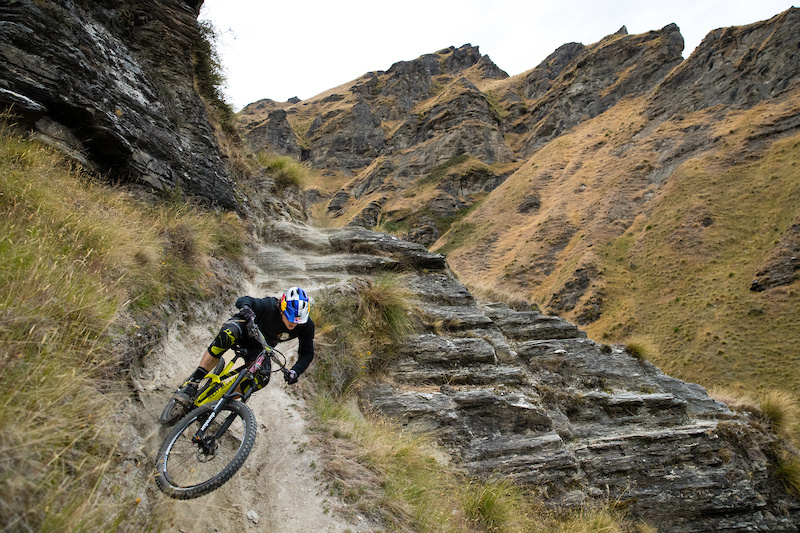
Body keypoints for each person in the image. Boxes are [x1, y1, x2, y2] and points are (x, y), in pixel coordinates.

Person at [174, 286, 314, 405]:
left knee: (262, 378)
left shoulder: (306, 326)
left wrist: (296, 371)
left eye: (298, 320)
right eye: (290, 316)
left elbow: (307, 353)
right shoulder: (269, 306)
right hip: (243, 330)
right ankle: (193, 383)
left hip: (260, 347)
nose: (294, 323)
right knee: (227, 335)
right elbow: (243, 300)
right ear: (282, 308)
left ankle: (218, 405)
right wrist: (247, 309)